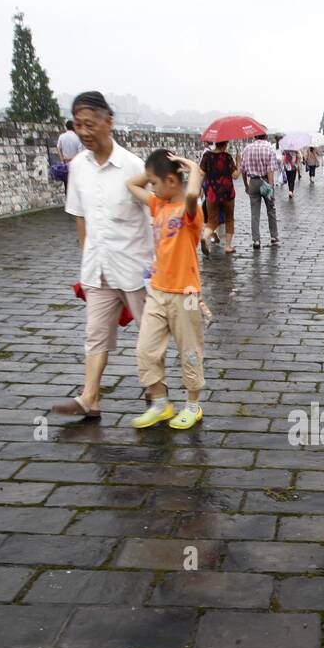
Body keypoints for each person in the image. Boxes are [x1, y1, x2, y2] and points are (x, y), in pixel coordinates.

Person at [52, 92, 151, 422]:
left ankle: (156, 390)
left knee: (149, 334)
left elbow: (155, 218)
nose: (83, 131)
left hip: (135, 267)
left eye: (89, 124)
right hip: (98, 268)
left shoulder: (133, 166)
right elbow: (79, 215)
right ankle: (89, 398)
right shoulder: (78, 167)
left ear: (109, 121)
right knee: (95, 335)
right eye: (78, 125)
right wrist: (85, 256)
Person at [125, 150, 207, 430]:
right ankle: (160, 404)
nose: (151, 187)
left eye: (156, 182)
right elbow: (131, 185)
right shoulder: (158, 205)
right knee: (146, 350)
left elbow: (193, 195)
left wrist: (193, 168)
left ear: (171, 181)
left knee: (190, 351)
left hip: (185, 295)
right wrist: (152, 172)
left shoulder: (189, 212)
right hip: (158, 292)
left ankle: (193, 405)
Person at [239, 133, 281, 249]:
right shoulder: (269, 149)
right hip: (266, 181)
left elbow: (243, 170)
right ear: (266, 137)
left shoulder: (247, 149)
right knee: (271, 209)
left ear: (254, 136)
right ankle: (273, 236)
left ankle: (256, 240)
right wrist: (271, 187)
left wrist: (246, 185)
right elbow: (270, 170)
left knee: (255, 212)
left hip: (253, 181)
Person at [198, 140, 238, 255]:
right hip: (227, 193)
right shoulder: (227, 157)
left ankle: (205, 237)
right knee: (229, 219)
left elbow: (201, 173)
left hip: (212, 194)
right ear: (225, 144)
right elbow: (235, 175)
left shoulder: (207, 156)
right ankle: (228, 246)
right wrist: (239, 163)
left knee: (212, 221)